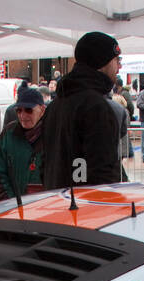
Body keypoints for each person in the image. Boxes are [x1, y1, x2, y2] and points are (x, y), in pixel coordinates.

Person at [40, 32, 122, 188]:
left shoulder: (56, 105)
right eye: (117, 60)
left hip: (58, 201)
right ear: (102, 62)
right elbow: (103, 172)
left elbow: (45, 165)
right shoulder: (95, 107)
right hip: (86, 206)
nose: (119, 67)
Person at [0, 86, 46, 201]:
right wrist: (12, 203)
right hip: (16, 209)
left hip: (47, 208)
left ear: (42, 110)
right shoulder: (7, 135)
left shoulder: (54, 134)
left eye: (28, 110)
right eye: (19, 110)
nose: (23, 115)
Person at [110, 85, 131, 176]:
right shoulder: (124, 111)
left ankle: (123, 178)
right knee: (118, 164)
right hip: (121, 141)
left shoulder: (117, 111)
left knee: (117, 164)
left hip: (118, 142)